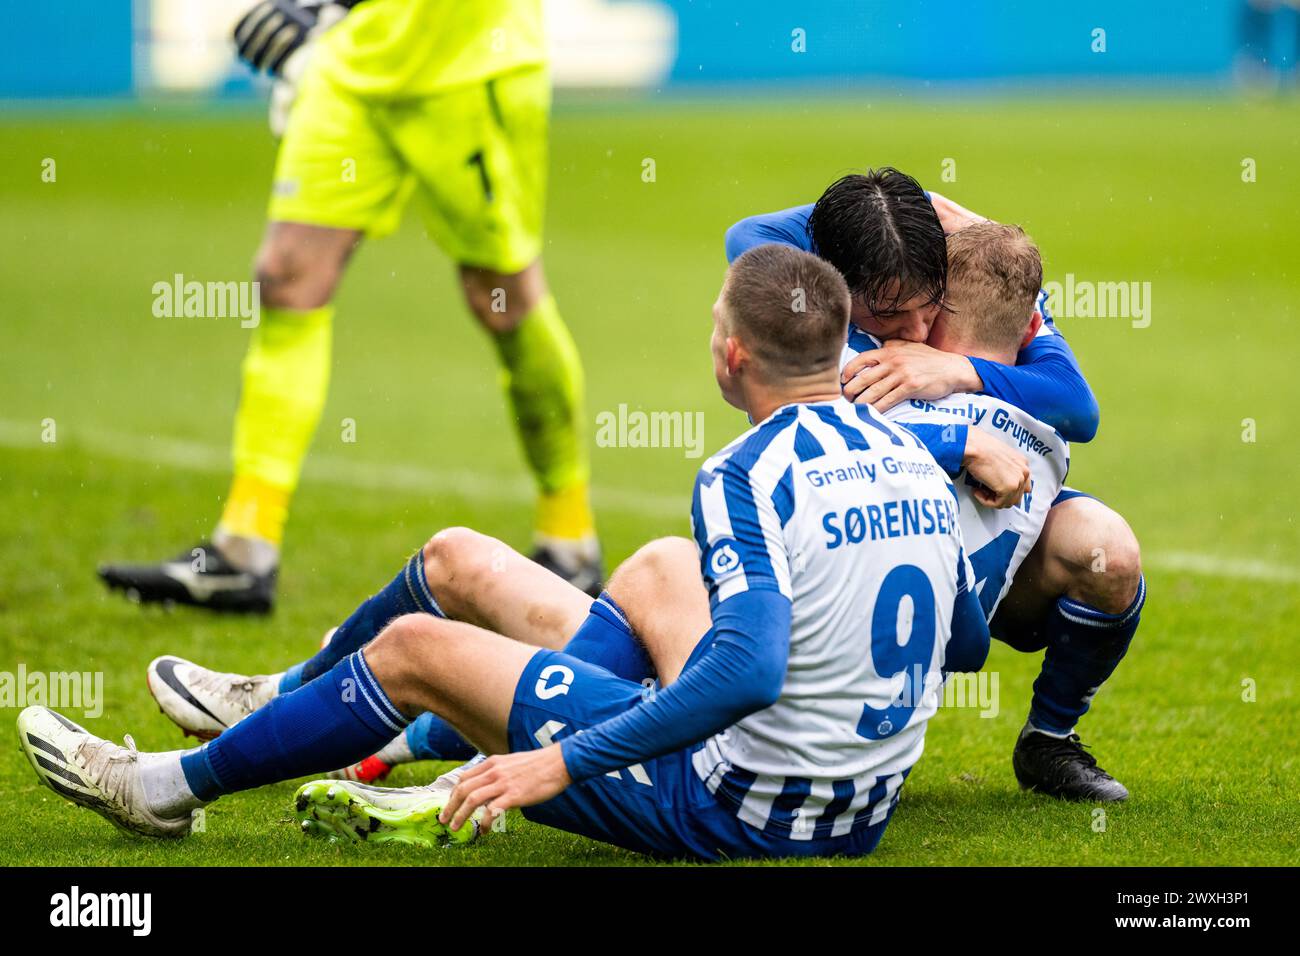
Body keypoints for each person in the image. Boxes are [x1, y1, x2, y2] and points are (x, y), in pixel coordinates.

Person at [19, 244, 991, 860]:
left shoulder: (743, 472)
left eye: (714, 330)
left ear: (732, 356)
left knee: (414, 645)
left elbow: (749, 668)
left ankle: (161, 790)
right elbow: (967, 642)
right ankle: (330, 713)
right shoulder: (915, 452)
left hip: (742, 808)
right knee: (633, 565)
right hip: (853, 809)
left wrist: (560, 765)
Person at [97, 0, 602, 615]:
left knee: (501, 298)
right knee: (287, 274)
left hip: (471, 61)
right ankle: (245, 547)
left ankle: (569, 539)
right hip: (358, 57)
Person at [728, 170, 1142, 799]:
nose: (917, 332)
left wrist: (961, 369)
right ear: (839, 285)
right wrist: (963, 442)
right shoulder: (818, 321)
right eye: (894, 314)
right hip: (854, 549)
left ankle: (1049, 741)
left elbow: (1078, 409)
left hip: (985, 562)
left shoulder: (969, 288)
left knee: (1107, 549)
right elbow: (746, 238)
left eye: (930, 309)